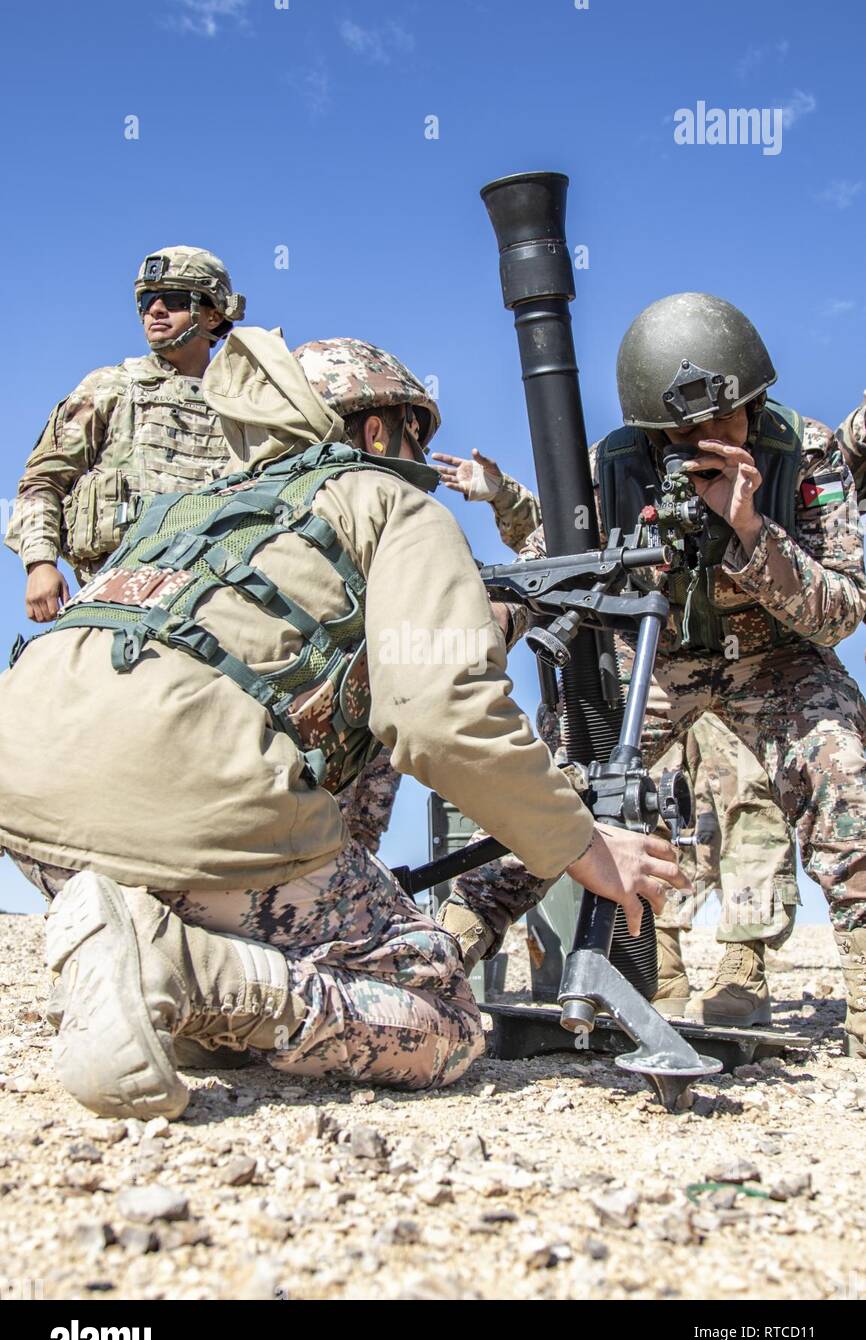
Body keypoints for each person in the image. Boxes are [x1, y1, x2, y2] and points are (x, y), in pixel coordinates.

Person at [0, 328, 687, 1119]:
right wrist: (584, 846)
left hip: (33, 813)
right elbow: (438, 717)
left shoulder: (195, 510)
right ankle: (176, 970)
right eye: (413, 435)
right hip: (180, 819)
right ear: (375, 431)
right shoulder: (392, 500)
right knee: (444, 1022)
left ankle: (159, 964)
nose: (420, 457)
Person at [435, 292, 866, 1055]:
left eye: (721, 421)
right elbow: (557, 567)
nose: (702, 440)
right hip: (658, 652)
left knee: (846, 777)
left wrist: (749, 527)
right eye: (681, 431)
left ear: (755, 401)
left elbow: (839, 611)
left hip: (777, 655)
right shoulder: (618, 463)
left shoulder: (810, 453)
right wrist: (498, 617)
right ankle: (430, 967)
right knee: (548, 787)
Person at [431, 448, 799, 1026]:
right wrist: (504, 497)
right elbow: (565, 540)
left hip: (749, 653)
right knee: (628, 798)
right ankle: (661, 964)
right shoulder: (622, 463)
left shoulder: (768, 452)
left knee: (745, 798)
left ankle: (743, 965)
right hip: (652, 655)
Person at [6, 246, 245, 621]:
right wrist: (39, 563)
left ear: (213, 315)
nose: (156, 310)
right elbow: (42, 481)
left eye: (175, 299)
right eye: (148, 300)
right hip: (111, 601)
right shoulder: (110, 387)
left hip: (212, 603)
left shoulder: (242, 406)